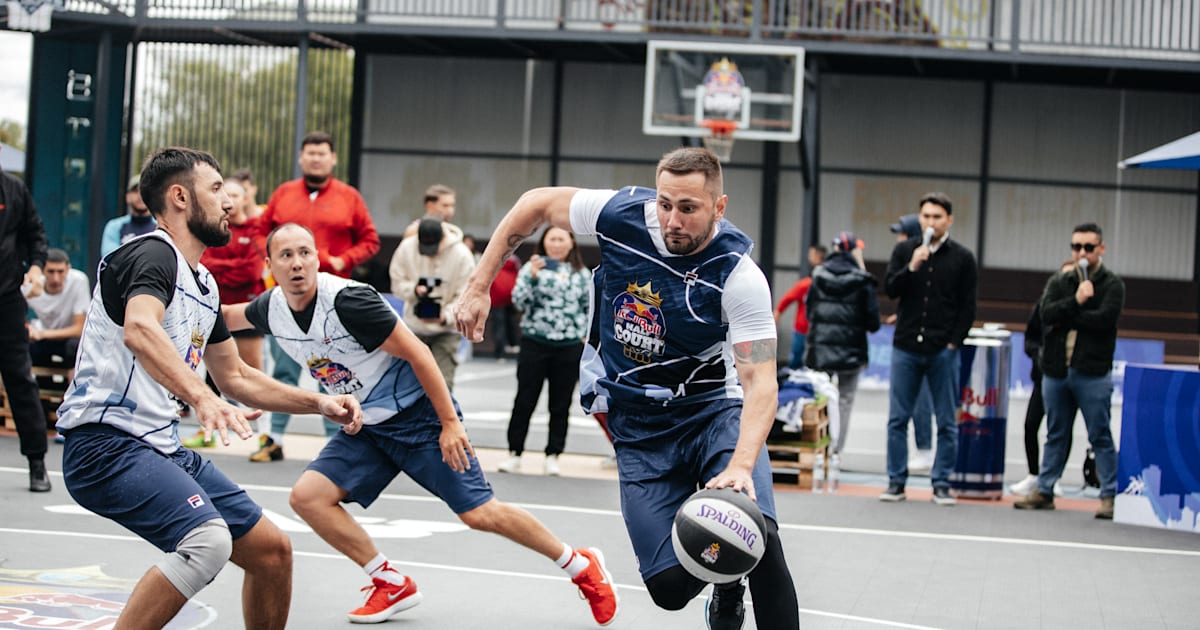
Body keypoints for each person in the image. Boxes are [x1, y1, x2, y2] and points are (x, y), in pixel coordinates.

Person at [456, 147, 799, 630]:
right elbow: (534, 203)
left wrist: (742, 465)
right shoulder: (619, 215)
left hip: (712, 411)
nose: (672, 220)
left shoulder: (739, 277)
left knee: (755, 532)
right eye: (665, 204)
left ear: (719, 207)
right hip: (637, 423)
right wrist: (478, 285)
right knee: (668, 589)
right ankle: (724, 574)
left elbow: (760, 381)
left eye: (688, 208)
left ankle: (735, 566)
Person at [223, 223, 618, 625]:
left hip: (419, 418)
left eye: (305, 252)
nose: (297, 263)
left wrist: (450, 423)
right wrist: (173, 308)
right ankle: (390, 581)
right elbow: (219, 319)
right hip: (368, 425)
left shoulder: (349, 302)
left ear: (317, 257)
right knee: (307, 496)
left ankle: (580, 564)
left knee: (480, 513)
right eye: (286, 256)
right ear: (269, 264)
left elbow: (420, 354)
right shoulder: (269, 307)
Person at [55, 147, 364, 629]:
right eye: (216, 189)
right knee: (208, 542)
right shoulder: (151, 253)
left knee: (271, 552)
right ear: (180, 196)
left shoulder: (204, 284)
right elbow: (140, 328)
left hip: (157, 444)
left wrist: (318, 401)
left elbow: (236, 376)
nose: (229, 203)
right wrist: (202, 398)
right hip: (106, 444)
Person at [254, 131, 381, 462]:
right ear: (301, 158)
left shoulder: (349, 197)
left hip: (333, 303)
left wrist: (345, 259)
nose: (315, 159)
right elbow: (260, 232)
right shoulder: (283, 194)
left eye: (322, 153)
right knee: (282, 372)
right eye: (309, 153)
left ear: (333, 158)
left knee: (336, 376)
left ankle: (339, 442)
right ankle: (273, 438)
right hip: (288, 300)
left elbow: (370, 240)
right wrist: (269, 263)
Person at [1016, 223, 1124, 519]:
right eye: (1076, 247)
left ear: (1101, 249)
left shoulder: (1112, 284)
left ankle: (1109, 496)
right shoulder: (1060, 281)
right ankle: (1045, 489)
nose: (1082, 253)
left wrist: (1070, 316)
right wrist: (1076, 302)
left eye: (1089, 247)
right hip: (1056, 371)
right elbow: (1046, 314)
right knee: (1055, 432)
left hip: (1091, 372)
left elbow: (1104, 320)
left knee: (1099, 433)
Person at [881, 192, 977, 506]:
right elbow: (891, 288)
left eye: (937, 217)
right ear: (919, 218)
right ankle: (896, 482)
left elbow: (967, 305)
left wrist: (953, 342)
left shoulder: (962, 258)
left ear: (948, 220)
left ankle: (942, 484)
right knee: (898, 418)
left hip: (942, 349)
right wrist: (911, 266)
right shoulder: (906, 250)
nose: (930, 222)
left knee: (946, 421)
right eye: (926, 216)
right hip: (906, 345)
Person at [496, 227, 591, 476]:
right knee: (525, 400)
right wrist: (534, 278)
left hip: (568, 346)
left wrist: (583, 335)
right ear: (544, 243)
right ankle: (515, 452)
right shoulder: (531, 268)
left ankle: (553, 454)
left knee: (560, 404)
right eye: (552, 239)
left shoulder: (581, 274)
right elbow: (518, 302)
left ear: (571, 243)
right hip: (535, 342)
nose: (557, 244)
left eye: (562, 239)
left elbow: (587, 308)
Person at [188, 180, 266, 447]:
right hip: (214, 308)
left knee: (253, 371)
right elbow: (203, 263)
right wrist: (230, 267)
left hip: (245, 309)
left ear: (244, 199)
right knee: (211, 370)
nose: (230, 199)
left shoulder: (256, 230)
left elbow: (252, 272)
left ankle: (264, 433)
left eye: (235, 194)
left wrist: (220, 268)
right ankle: (207, 430)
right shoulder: (215, 229)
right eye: (226, 193)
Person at [803, 231, 880, 465]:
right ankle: (836, 450)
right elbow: (873, 323)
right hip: (851, 351)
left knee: (821, 396)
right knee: (845, 400)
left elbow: (810, 311)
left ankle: (820, 448)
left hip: (821, 348)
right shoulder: (862, 280)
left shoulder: (818, 275)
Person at [0, 152, 51, 492]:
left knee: (20, 378)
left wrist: (35, 267)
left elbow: (36, 237)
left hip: (6, 300)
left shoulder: (13, 190)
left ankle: (37, 462)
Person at [1009, 259, 1077, 497]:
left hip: (1070, 376)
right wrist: (1040, 355)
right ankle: (1034, 474)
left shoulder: (1083, 308)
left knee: (1059, 429)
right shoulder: (1044, 306)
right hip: (1044, 376)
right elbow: (1030, 338)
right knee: (1030, 424)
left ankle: (1053, 476)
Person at [389, 217, 475, 390]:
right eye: (424, 248)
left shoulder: (461, 254)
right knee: (409, 386)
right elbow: (396, 283)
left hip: (446, 330)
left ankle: (439, 418)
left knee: (442, 386)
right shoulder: (407, 248)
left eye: (434, 248)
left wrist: (446, 316)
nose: (430, 252)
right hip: (414, 328)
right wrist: (414, 290)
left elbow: (467, 294)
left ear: (443, 238)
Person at [889, 213, 935, 472]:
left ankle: (926, 448)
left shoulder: (930, 255)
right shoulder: (907, 255)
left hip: (929, 342)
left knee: (922, 399)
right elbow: (896, 287)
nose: (899, 238)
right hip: (908, 334)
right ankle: (913, 456)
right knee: (902, 408)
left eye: (902, 232)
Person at [26, 247, 89, 369]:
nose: (56, 278)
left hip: (69, 340)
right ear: (43, 271)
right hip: (42, 340)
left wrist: (42, 334)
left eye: (60, 272)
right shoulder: (31, 285)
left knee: (76, 348)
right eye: (51, 271)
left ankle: (74, 387)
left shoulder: (79, 281)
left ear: (68, 269)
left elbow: (79, 328)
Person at [774, 244, 826, 369]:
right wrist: (778, 312)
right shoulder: (804, 285)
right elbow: (787, 299)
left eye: (811, 254)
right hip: (801, 329)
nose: (809, 258)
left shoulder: (821, 286)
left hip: (818, 330)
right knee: (796, 358)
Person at [100, 176, 156, 257]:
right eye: (135, 191)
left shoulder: (161, 226)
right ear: (127, 197)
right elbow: (109, 257)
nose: (140, 195)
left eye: (144, 191)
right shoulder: (114, 226)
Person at [488, 252, 521, 359]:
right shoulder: (515, 260)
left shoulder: (493, 256)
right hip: (510, 296)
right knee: (510, 322)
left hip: (496, 297)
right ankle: (513, 344)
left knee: (499, 325)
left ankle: (500, 352)